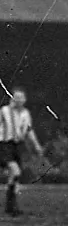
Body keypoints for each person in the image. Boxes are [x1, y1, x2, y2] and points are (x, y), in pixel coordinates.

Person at [0, 88, 45, 216]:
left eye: (21, 98)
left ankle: (11, 206)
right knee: (15, 171)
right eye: (16, 97)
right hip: (4, 144)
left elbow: (29, 130)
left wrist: (36, 145)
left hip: (16, 145)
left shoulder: (25, 113)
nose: (19, 100)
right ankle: (10, 205)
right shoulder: (4, 111)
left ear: (24, 100)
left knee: (15, 176)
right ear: (12, 98)